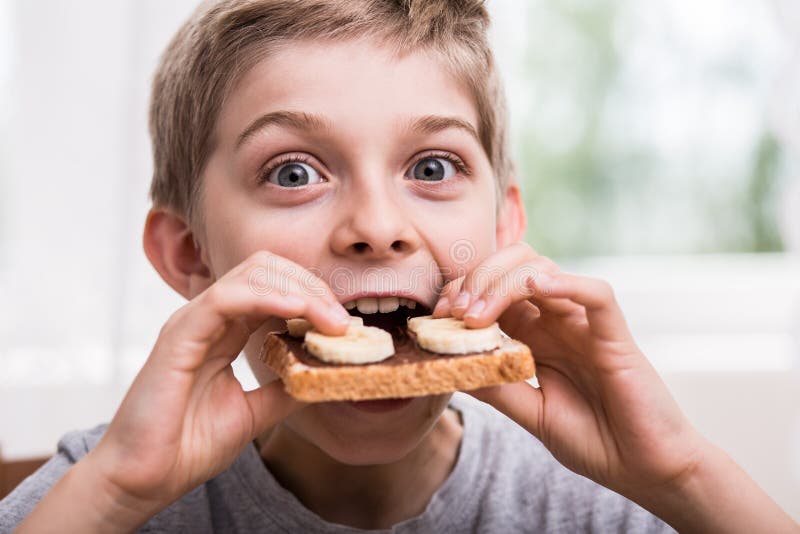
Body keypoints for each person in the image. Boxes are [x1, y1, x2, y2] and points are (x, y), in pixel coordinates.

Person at [2, 1, 798, 532]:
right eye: (293, 172)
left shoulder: (595, 504)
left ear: (502, 229)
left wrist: (682, 475)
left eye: (432, 166)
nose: (378, 229)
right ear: (190, 253)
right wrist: (114, 494)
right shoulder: (100, 491)